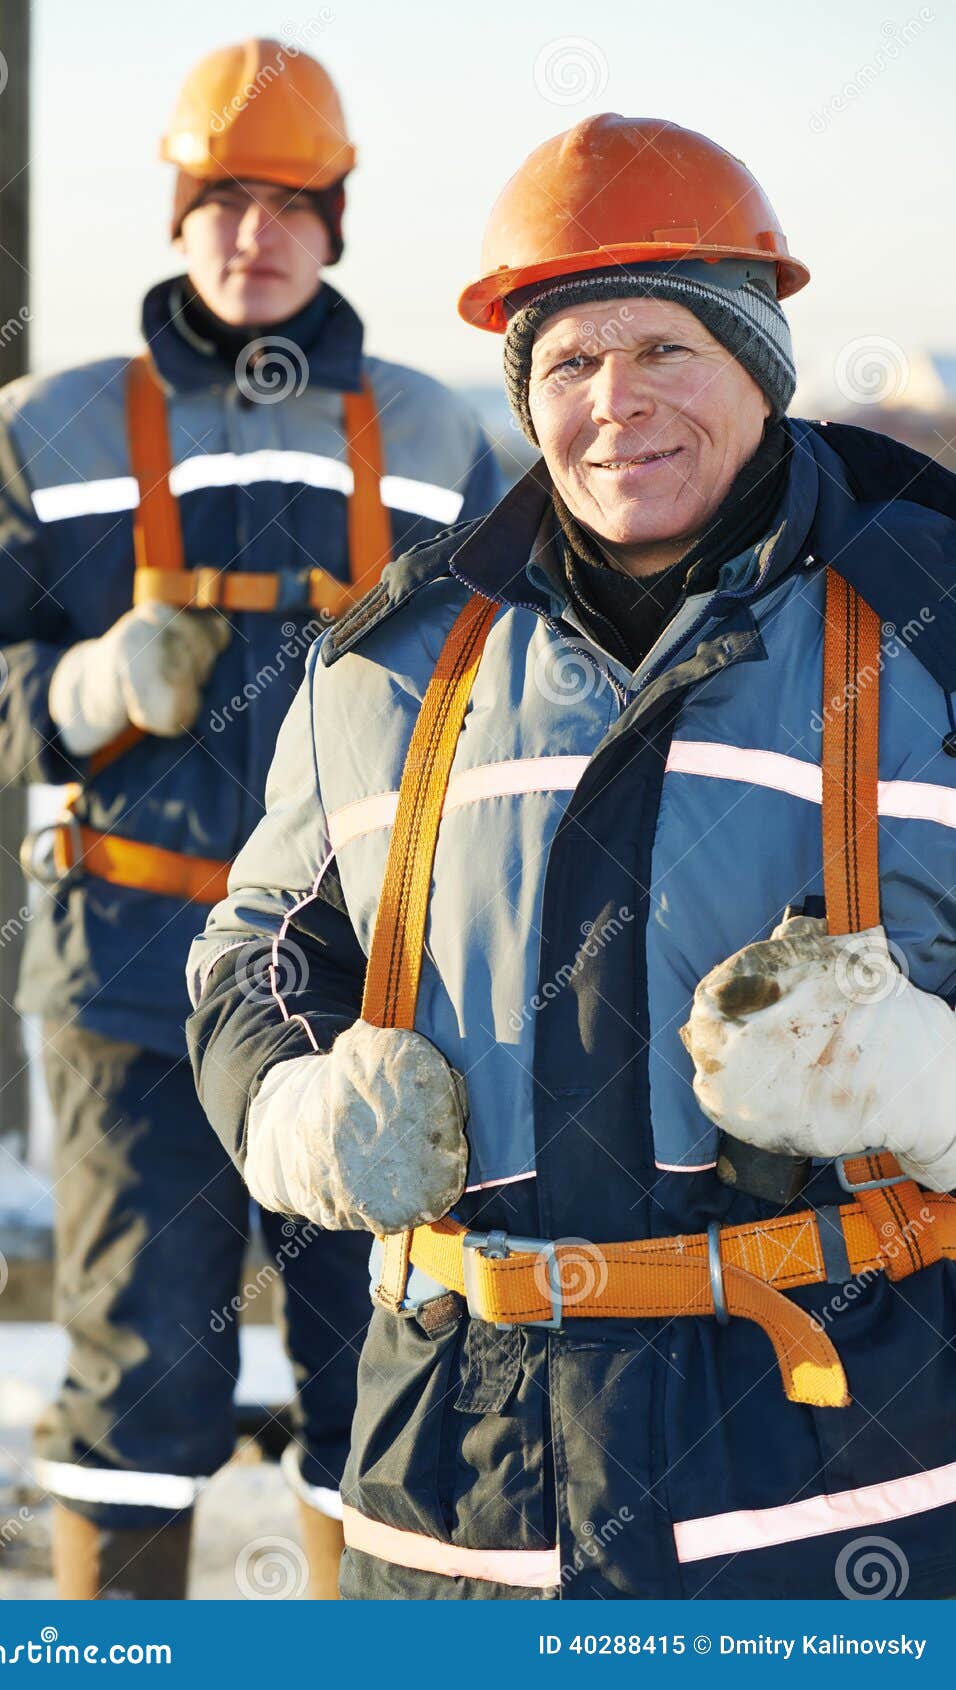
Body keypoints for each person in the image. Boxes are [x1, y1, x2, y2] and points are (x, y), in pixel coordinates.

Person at [185, 113, 956, 1599]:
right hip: (464, 1504)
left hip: (838, 1493)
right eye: (570, 362)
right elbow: (258, 942)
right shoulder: (387, 667)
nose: (619, 404)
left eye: (667, 349)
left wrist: (929, 1080)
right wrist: (293, 1109)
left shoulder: (925, 627)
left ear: (759, 365)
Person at [0, 38, 501, 1599]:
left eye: (291, 202)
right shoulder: (54, 425)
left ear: (335, 221)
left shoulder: (443, 440)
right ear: (180, 213)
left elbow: (533, 676)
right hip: (128, 976)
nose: (256, 231)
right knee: (141, 1377)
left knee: (382, 1360)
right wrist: (83, 690)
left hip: (365, 983)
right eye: (224, 196)